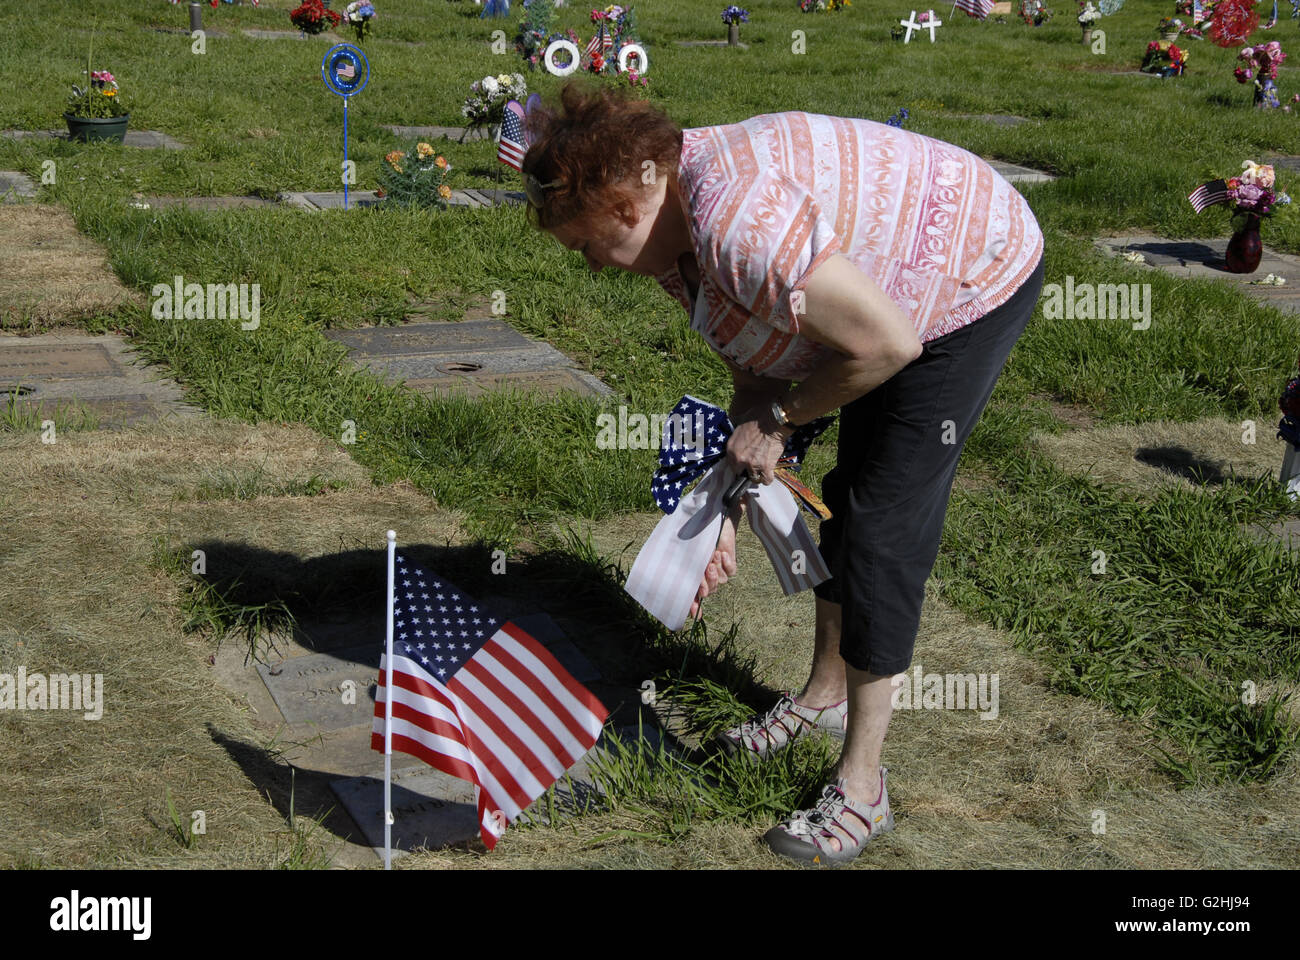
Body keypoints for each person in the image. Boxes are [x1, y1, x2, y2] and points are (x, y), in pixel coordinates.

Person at [521, 84, 1044, 865]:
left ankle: (864, 788)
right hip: (877, 305)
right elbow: (755, 367)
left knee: (877, 524)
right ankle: (823, 698)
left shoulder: (736, 223)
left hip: (966, 272)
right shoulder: (673, 237)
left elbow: (887, 346)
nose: (593, 266)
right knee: (837, 504)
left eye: (586, 245)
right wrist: (726, 507)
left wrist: (780, 426)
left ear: (624, 207)